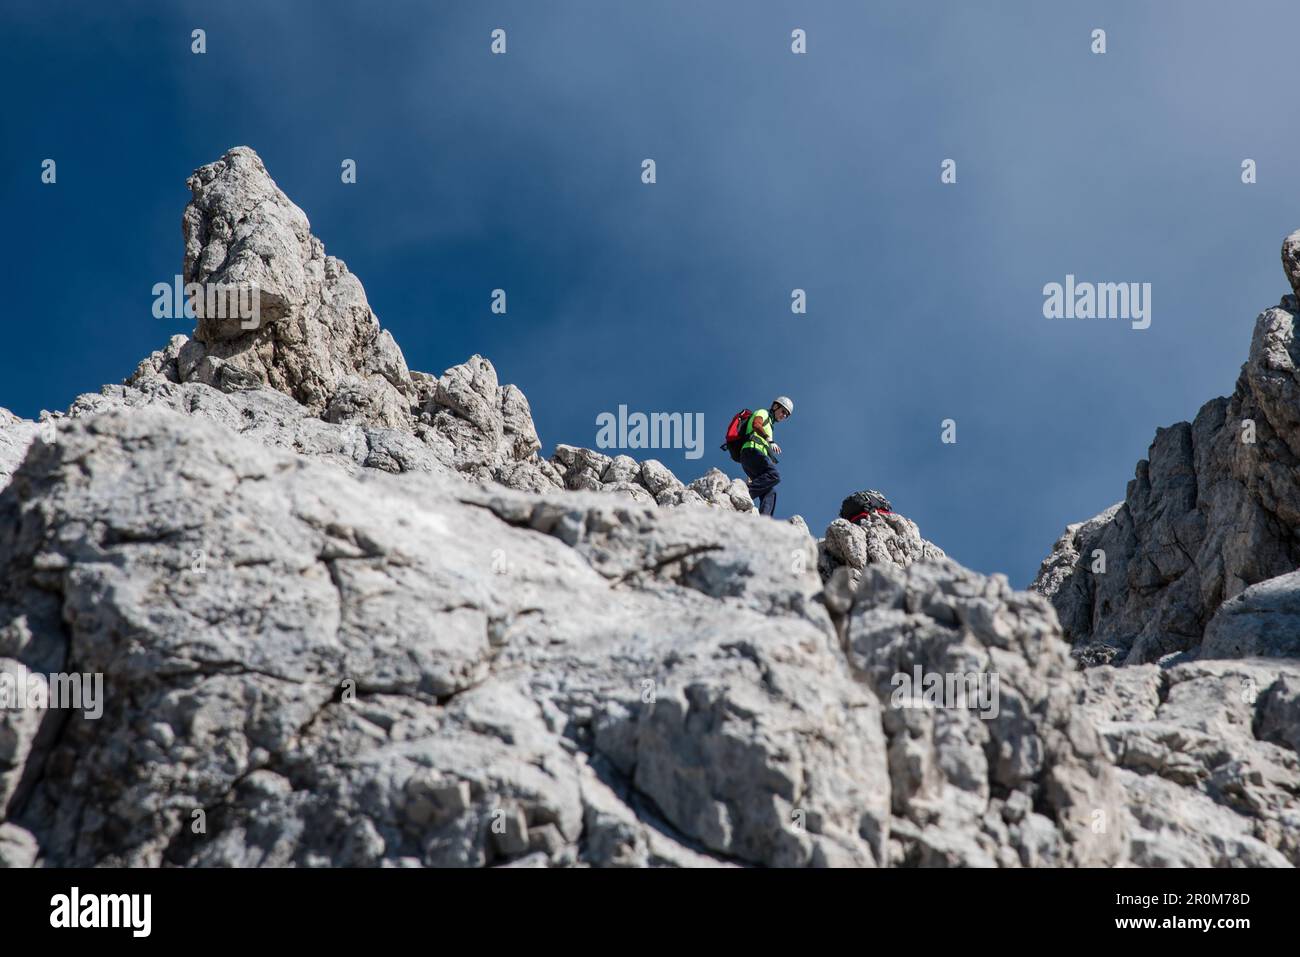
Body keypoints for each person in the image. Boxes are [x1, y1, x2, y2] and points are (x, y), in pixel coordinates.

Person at [739, 396, 793, 516]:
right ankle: (742, 493)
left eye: (787, 415)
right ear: (775, 406)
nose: (784, 416)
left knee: (771, 492)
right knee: (774, 475)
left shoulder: (770, 426)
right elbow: (756, 424)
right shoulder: (763, 413)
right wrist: (770, 440)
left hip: (756, 457)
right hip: (751, 451)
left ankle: (764, 522)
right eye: (783, 411)